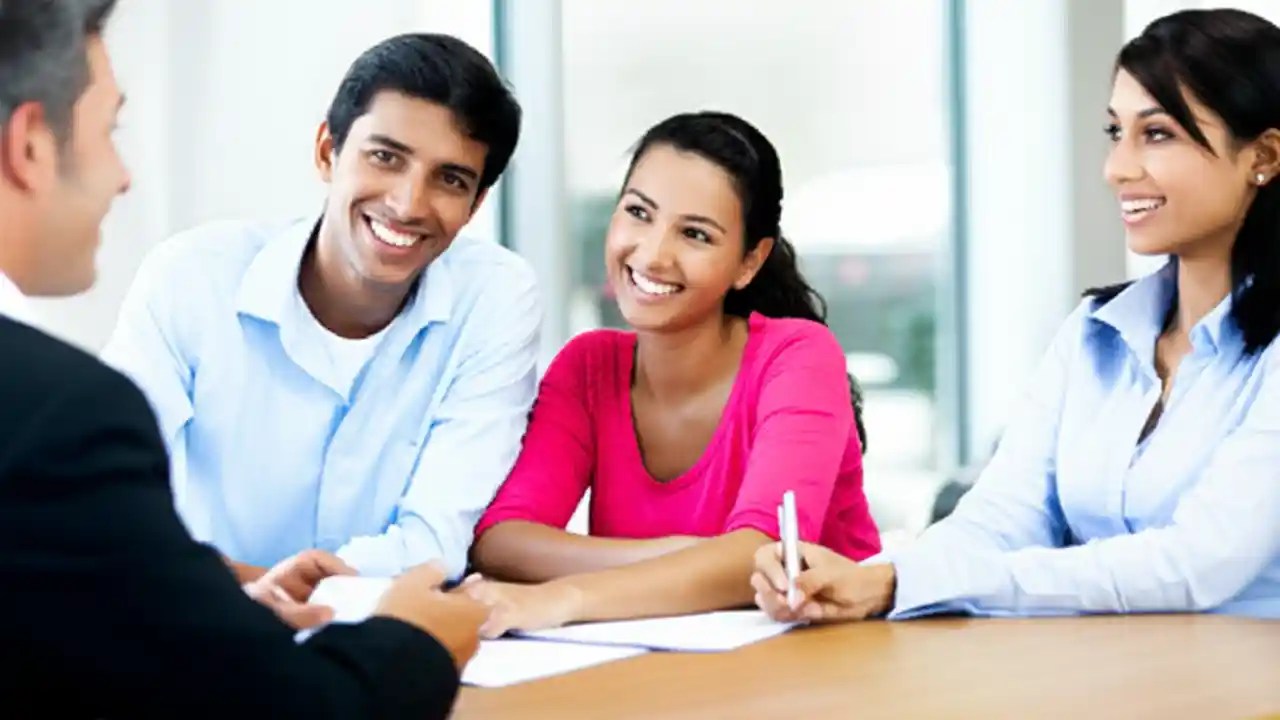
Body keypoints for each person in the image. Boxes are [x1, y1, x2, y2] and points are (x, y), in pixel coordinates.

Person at [0, 2, 487, 716]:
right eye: (111, 131)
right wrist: (414, 638)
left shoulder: (489, 292)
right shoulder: (60, 415)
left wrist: (216, 617)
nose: (124, 176)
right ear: (32, 147)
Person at [753, 8, 1280, 623]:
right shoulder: (1094, 333)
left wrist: (906, 586)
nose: (1117, 169)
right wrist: (877, 581)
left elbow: (1197, 565)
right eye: (1116, 132)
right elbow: (1000, 517)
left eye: (1157, 134)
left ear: (1263, 156)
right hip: (1101, 681)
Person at [101, 33, 539, 583]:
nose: (407, 204)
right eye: (385, 157)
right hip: (199, 629)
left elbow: (437, 542)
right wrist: (246, 590)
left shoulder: (494, 297)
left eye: (449, 180)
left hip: (376, 635)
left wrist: (280, 591)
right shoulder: (192, 278)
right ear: (327, 153)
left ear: (474, 206)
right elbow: (109, 499)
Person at [465, 111, 880, 637]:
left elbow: (761, 556)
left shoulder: (798, 356)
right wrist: (685, 557)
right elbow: (502, 541)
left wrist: (563, 595)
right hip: (656, 669)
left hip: (833, 669)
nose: (653, 254)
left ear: (749, 262)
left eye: (696, 235)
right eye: (638, 212)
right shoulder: (588, 367)